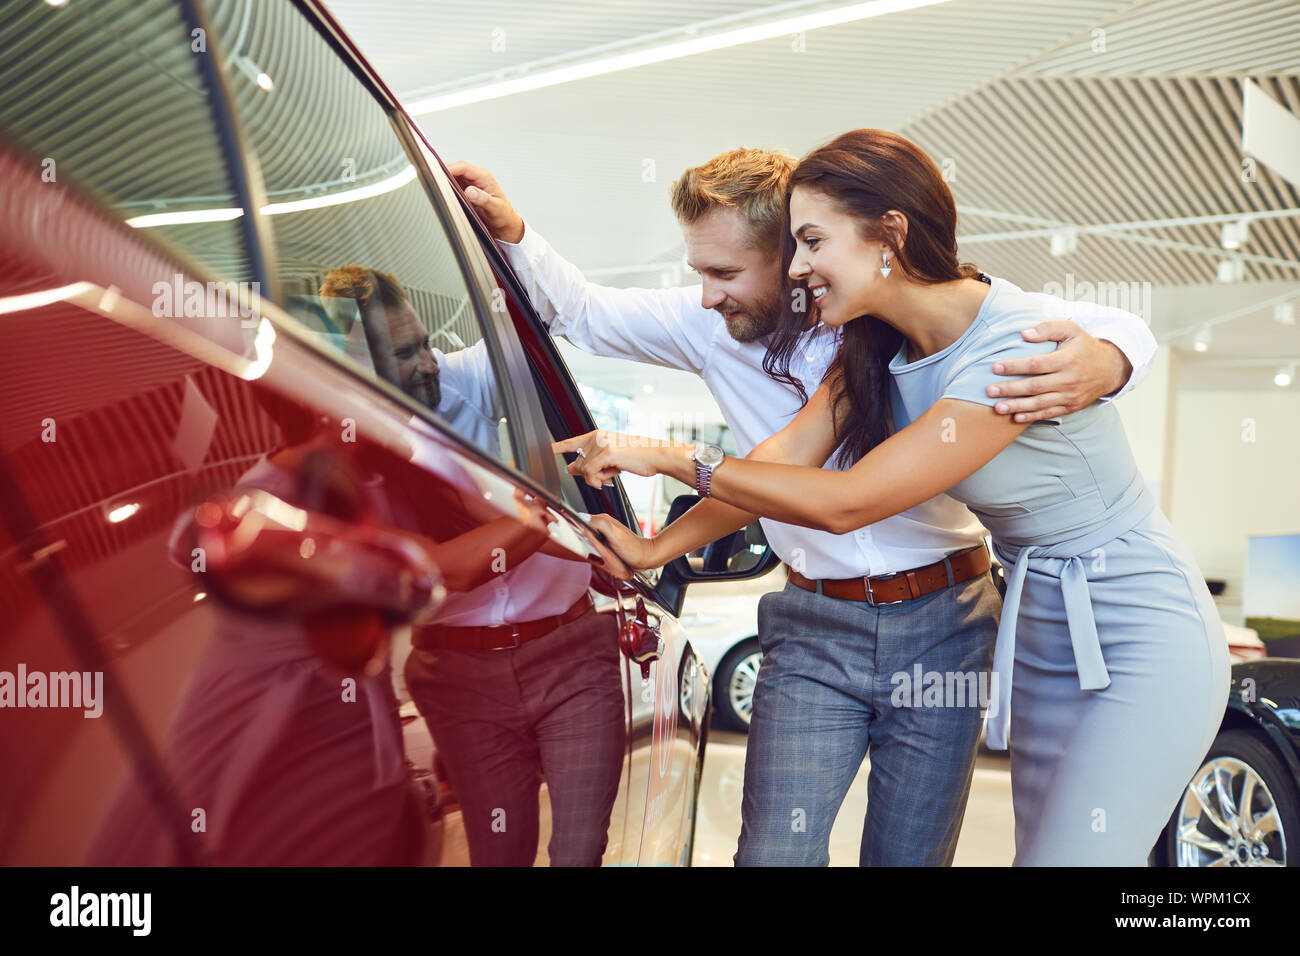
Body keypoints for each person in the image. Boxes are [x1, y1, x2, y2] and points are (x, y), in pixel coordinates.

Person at [450, 149, 1158, 865]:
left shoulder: (887, 321)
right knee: (773, 856)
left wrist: (1108, 361)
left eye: (725, 273)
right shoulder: (711, 326)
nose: (706, 295)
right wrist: (512, 232)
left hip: (948, 619)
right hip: (814, 624)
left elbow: (1093, 321)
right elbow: (589, 318)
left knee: (909, 856)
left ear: (795, 249)